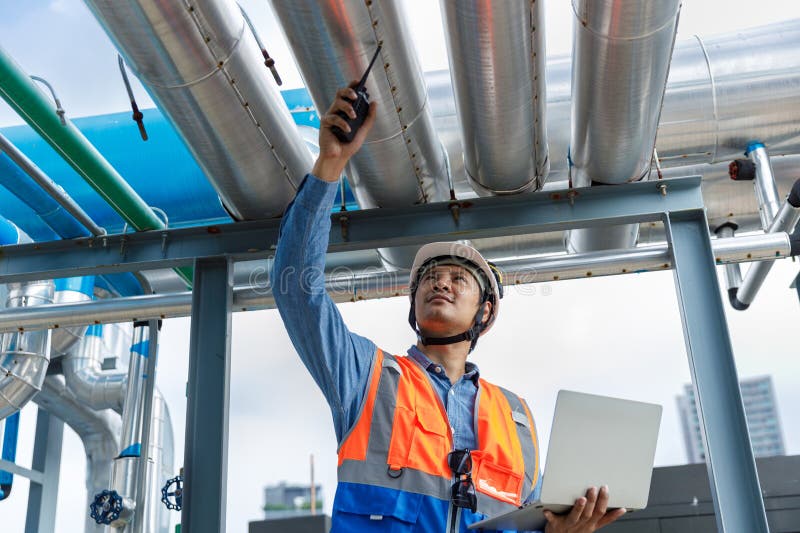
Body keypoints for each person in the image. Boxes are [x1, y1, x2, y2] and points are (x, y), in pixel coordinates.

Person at [271, 82, 626, 533]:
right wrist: (330, 164)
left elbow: (527, 521)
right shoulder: (367, 377)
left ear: (485, 314)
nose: (441, 282)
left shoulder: (517, 419)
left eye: (459, 279)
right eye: (430, 278)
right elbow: (298, 292)